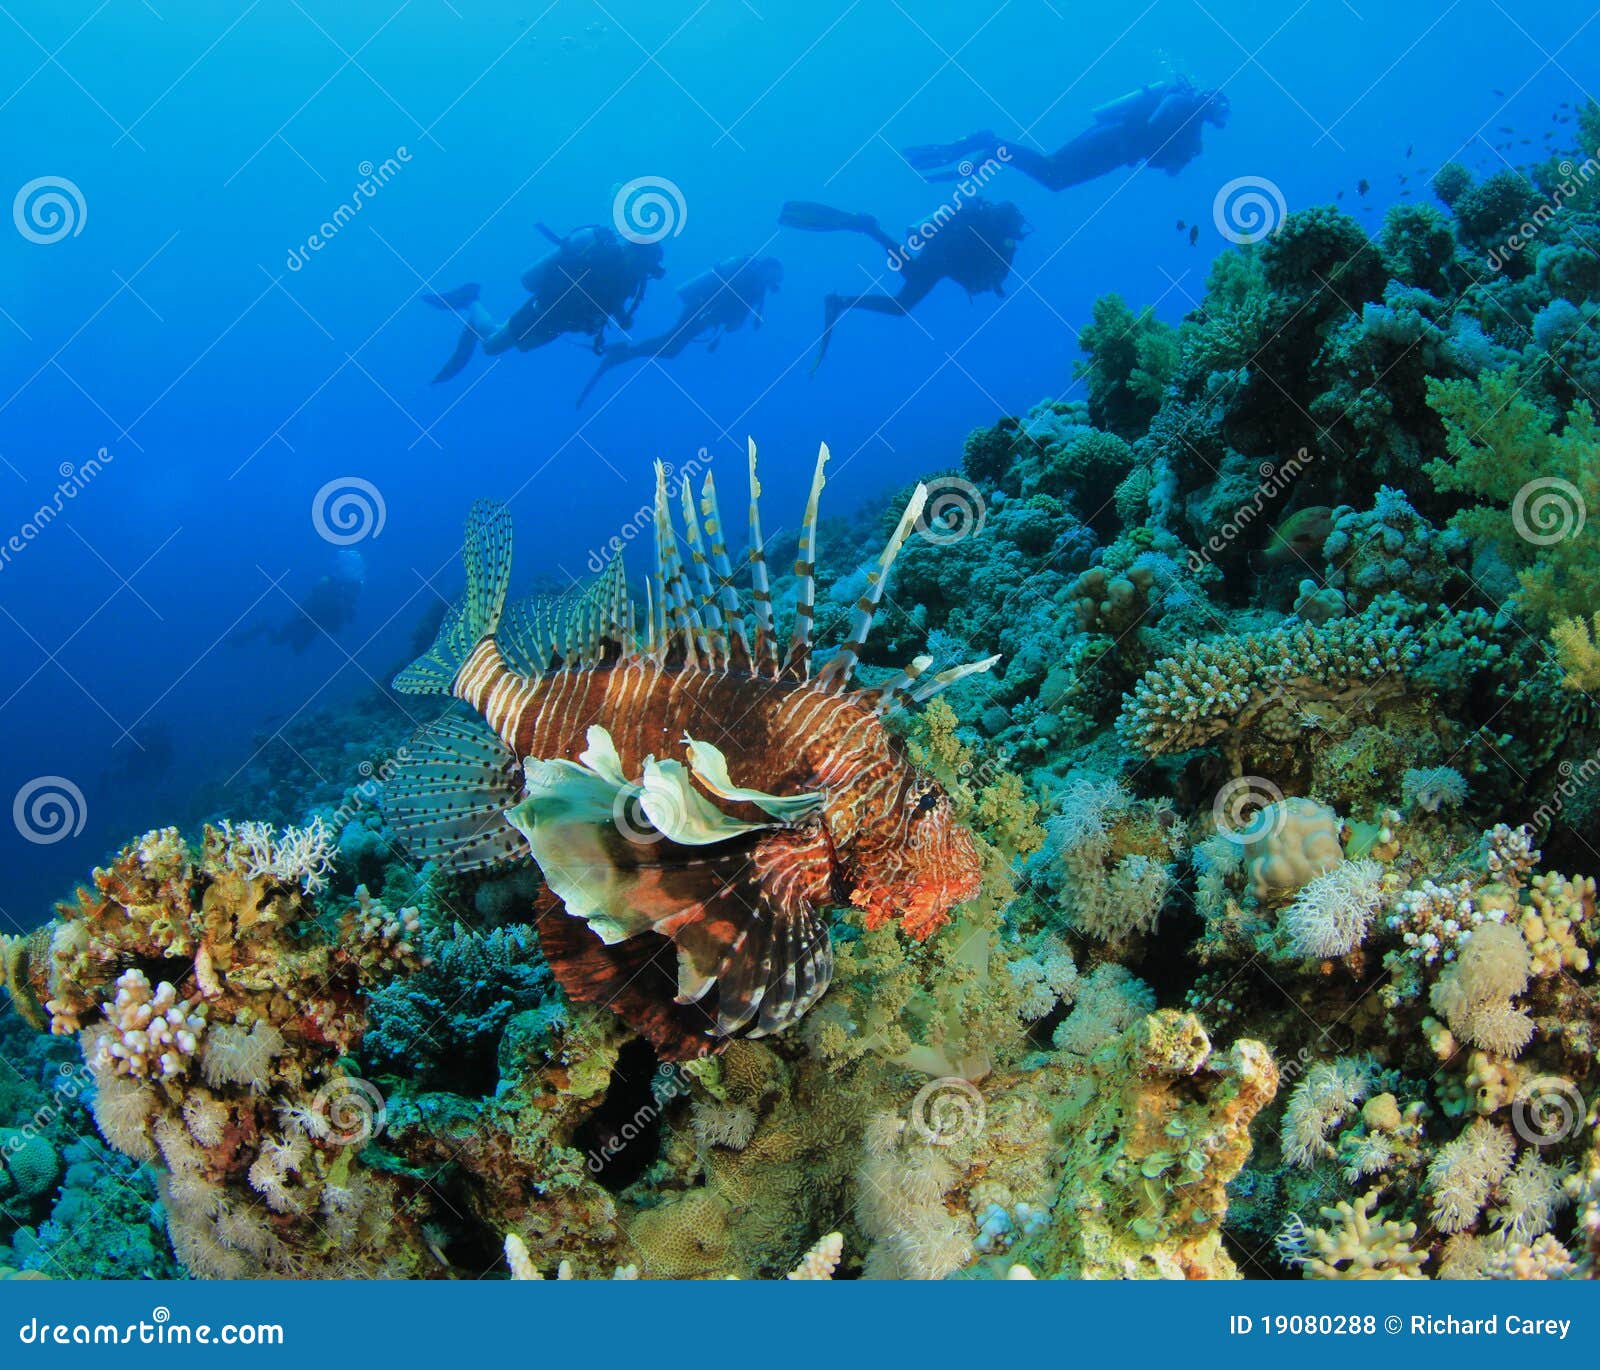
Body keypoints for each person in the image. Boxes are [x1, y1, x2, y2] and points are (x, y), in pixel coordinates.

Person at [777, 197, 1026, 370]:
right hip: (946, 257)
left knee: (905, 293)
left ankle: (866, 241)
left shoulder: (986, 226)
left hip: (943, 253)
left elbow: (982, 274)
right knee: (903, 300)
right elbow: (989, 276)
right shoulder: (999, 237)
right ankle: (868, 238)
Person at [423, 223, 666, 383]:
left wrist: (622, 315)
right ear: (637, 252)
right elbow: (589, 287)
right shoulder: (606, 259)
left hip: (560, 323)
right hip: (544, 310)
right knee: (491, 346)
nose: (644, 272)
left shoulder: (628, 277)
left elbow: (608, 300)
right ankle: (471, 300)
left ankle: (473, 309)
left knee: (520, 346)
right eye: (645, 264)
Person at [905, 74, 1230, 191]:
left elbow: (1162, 153)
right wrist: (1185, 149)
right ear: (1210, 100)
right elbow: (1153, 126)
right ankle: (990, 144)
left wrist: (1184, 149)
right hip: (1113, 141)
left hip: (1115, 148)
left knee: (1054, 178)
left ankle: (992, 148)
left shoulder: (1189, 119)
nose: (1218, 115)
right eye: (1219, 109)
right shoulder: (1182, 105)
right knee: (1053, 173)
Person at [576, 254, 783, 406]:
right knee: (670, 347)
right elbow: (728, 309)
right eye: (772, 275)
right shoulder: (746, 276)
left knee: (670, 346)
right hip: (699, 310)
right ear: (766, 268)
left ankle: (622, 352)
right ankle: (621, 353)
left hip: (703, 315)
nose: (771, 282)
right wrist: (715, 317)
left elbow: (734, 323)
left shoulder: (756, 288)